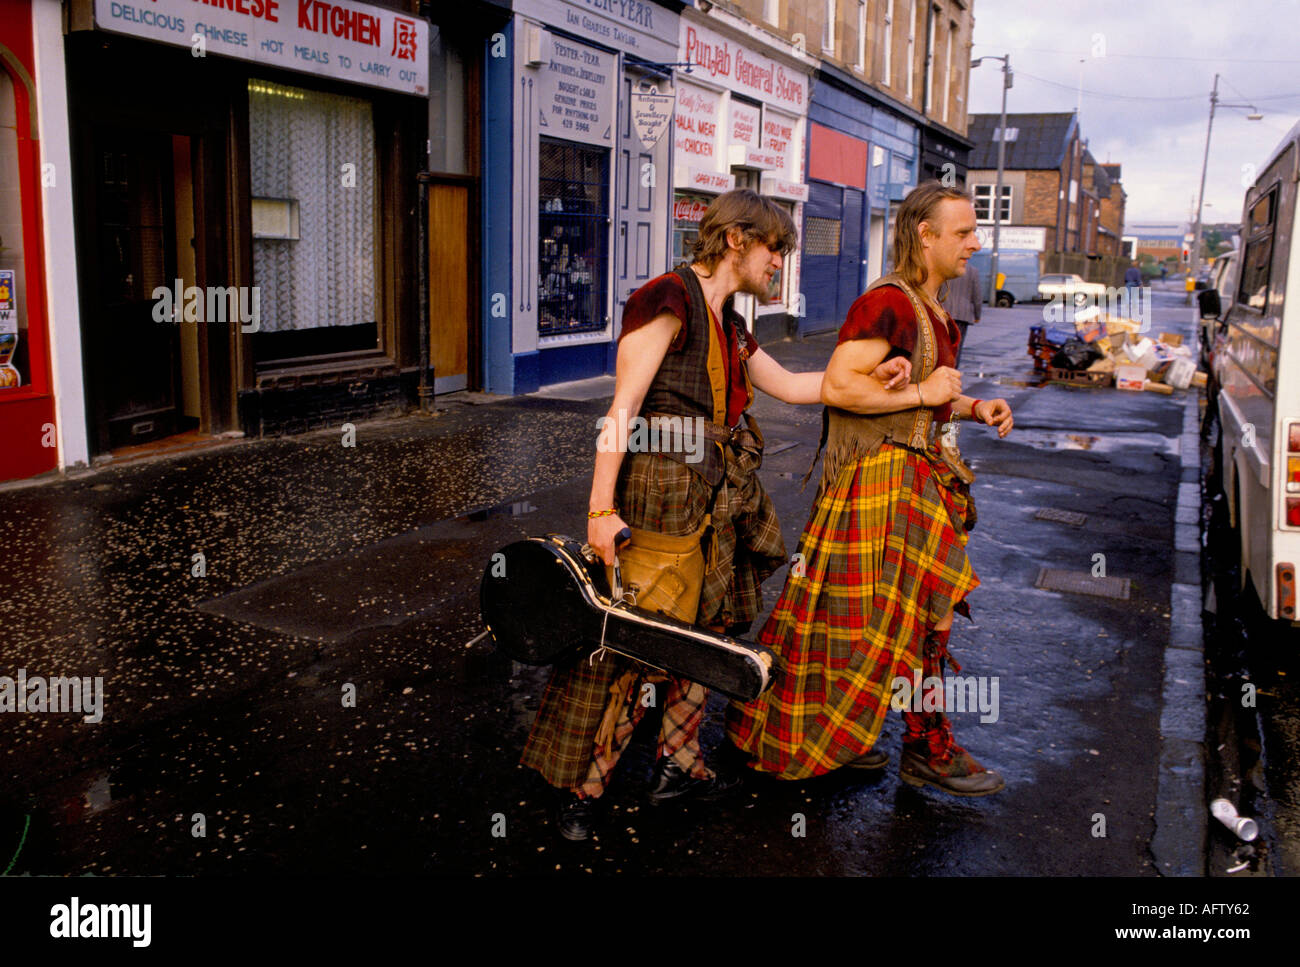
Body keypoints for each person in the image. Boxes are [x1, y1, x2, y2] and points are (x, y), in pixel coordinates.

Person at [519, 189, 910, 840]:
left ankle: (678, 762)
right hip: (661, 496)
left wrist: (881, 370)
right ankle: (582, 792)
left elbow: (796, 386)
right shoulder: (668, 298)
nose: (781, 263)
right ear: (735, 240)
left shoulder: (729, 321)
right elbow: (622, 410)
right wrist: (598, 508)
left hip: (718, 495)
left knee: (709, 634)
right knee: (640, 643)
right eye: (775, 248)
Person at [726, 181, 1014, 795]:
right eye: (962, 233)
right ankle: (922, 746)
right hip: (878, 480)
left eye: (973, 232)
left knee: (869, 620)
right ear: (924, 235)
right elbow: (839, 386)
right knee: (897, 622)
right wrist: (921, 394)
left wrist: (970, 406)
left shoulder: (931, 305)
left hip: (910, 476)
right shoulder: (887, 303)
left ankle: (847, 733)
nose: (974, 243)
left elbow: (914, 395)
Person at [939, 259, 981, 368]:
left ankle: (940, 369)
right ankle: (953, 370)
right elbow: (977, 295)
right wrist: (977, 315)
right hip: (963, 314)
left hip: (943, 311)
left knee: (942, 344)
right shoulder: (973, 271)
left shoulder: (944, 268)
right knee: (957, 345)